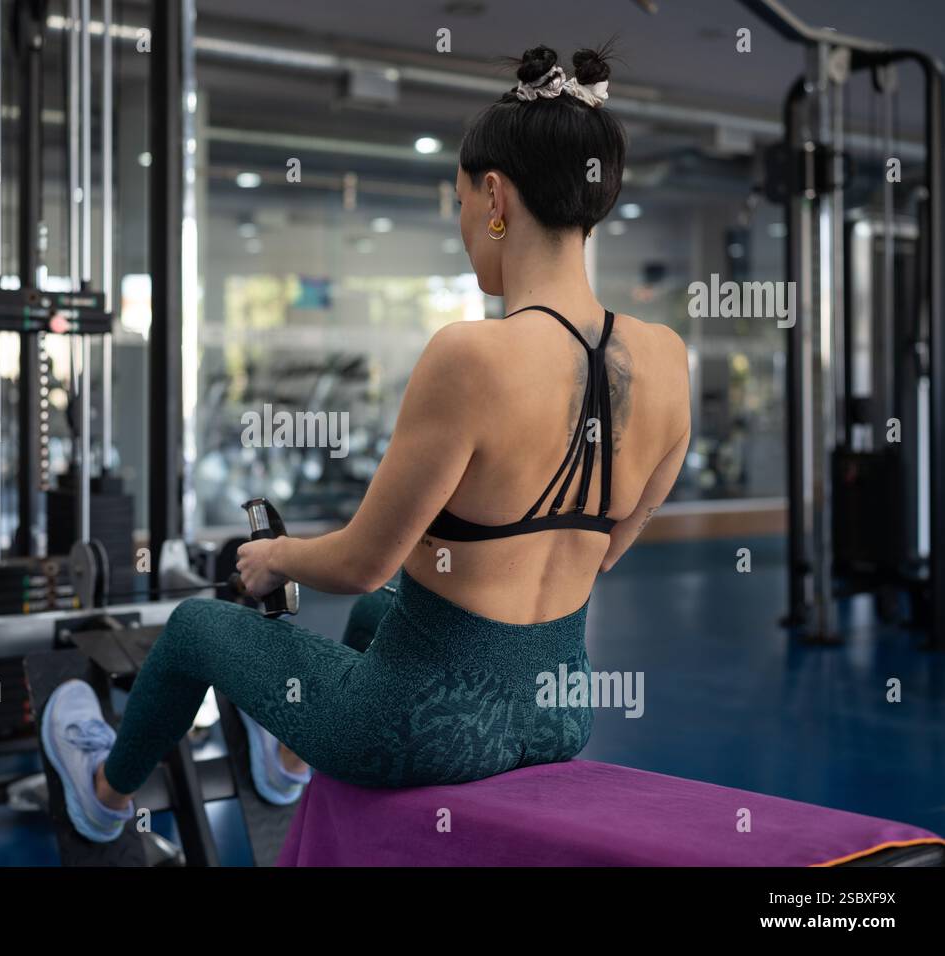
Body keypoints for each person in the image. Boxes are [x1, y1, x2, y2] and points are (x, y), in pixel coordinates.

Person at [41, 43, 691, 843]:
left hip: (424, 727)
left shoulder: (472, 354)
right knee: (373, 624)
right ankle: (284, 760)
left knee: (194, 630)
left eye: (460, 203)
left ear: (495, 196)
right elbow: (606, 551)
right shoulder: (666, 356)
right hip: (558, 715)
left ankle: (103, 794)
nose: (462, 228)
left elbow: (360, 564)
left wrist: (273, 559)